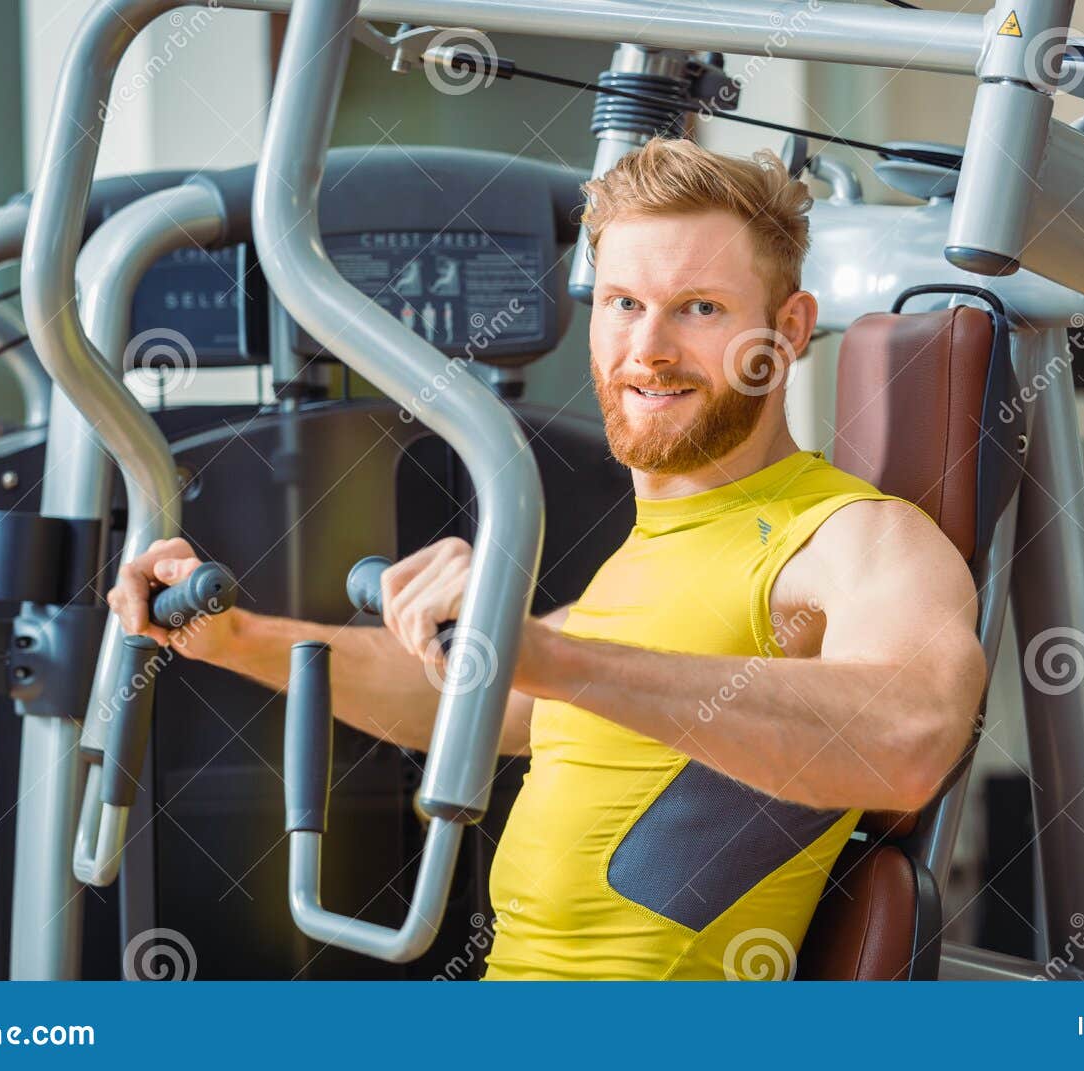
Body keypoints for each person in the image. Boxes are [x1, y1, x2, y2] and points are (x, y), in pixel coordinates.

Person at [108, 137, 986, 980]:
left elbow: (908, 736)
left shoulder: (849, 533)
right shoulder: (643, 560)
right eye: (624, 303)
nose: (649, 349)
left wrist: (551, 654)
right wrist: (230, 636)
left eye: (701, 308)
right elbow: (470, 694)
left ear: (789, 328)